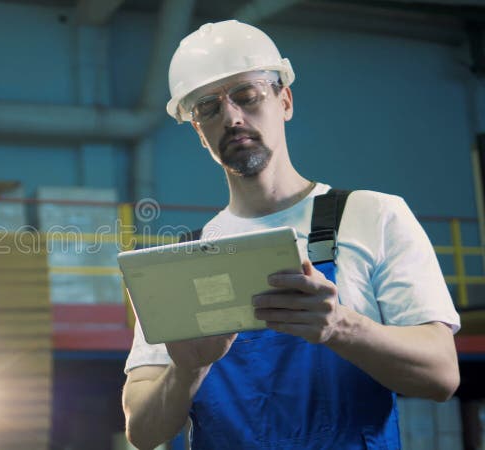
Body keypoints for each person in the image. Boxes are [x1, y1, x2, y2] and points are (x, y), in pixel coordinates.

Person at [122, 20, 461, 450]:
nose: (232, 117)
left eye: (247, 95)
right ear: (198, 131)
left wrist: (341, 326)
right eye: (208, 108)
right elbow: (142, 432)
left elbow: (442, 376)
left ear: (285, 100)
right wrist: (187, 370)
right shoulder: (183, 260)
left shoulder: (373, 216)